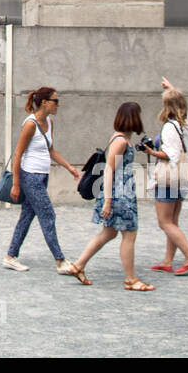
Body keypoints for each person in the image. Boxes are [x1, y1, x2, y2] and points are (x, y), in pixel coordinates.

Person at [63, 101, 154, 290]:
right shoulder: (120, 141)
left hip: (119, 193)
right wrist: (109, 202)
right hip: (120, 194)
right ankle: (131, 279)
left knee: (109, 232)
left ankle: (79, 265)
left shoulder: (120, 138)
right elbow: (109, 170)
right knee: (129, 234)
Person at [2, 86, 83, 274]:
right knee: (48, 215)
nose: (58, 105)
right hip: (29, 177)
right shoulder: (30, 124)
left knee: (27, 217)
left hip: (42, 176)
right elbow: (18, 154)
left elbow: (50, 149)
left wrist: (69, 167)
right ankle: (60, 261)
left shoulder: (49, 122)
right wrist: (16, 183)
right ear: (45, 102)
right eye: (56, 101)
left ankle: (10, 256)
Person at [143, 77, 188, 276]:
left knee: (164, 222)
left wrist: (151, 152)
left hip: (169, 177)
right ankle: (167, 260)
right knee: (173, 221)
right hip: (184, 175)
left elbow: (171, 155)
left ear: (167, 106)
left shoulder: (169, 126)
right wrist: (171, 89)